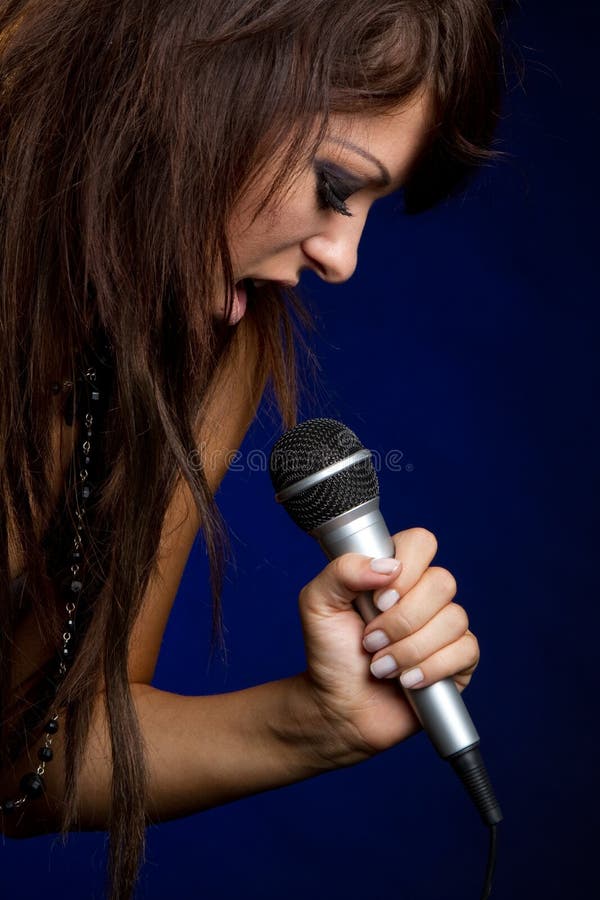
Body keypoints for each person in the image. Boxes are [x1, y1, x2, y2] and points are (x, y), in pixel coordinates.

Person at [0, 1, 507, 897]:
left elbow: (29, 759)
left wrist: (315, 723)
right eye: (335, 185)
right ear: (193, 83)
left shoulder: (201, 346)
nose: (342, 258)